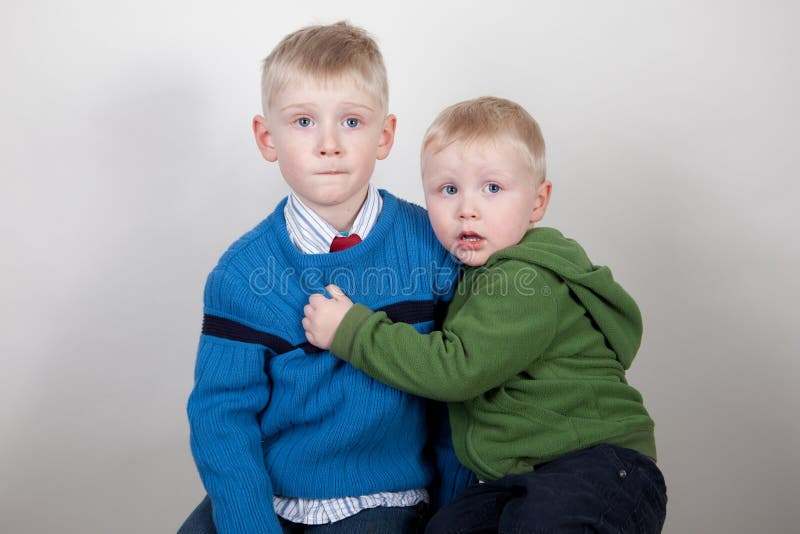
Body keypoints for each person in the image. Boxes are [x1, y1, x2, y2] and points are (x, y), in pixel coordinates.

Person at [302, 96, 668, 533]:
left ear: (537, 202)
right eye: (448, 189)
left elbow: (457, 369)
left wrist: (352, 331)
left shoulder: (527, 280)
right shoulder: (473, 277)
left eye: (492, 188)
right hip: (516, 477)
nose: (467, 208)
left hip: (598, 465)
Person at [179, 22, 473, 534]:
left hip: (384, 498)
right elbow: (221, 419)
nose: (329, 144)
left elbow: (462, 390)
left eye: (353, 122)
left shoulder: (431, 248)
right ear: (267, 138)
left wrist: (455, 513)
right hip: (270, 496)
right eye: (303, 122)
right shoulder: (243, 274)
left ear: (384, 136)